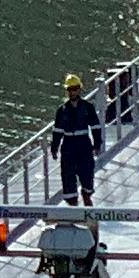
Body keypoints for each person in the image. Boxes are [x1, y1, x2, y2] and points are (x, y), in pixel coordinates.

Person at [51, 72, 100, 203]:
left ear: (79, 89)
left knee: (87, 172)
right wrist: (54, 148)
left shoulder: (88, 107)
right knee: (68, 175)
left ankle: (87, 194)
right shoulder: (62, 110)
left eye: (74, 89)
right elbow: (57, 131)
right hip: (68, 145)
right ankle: (72, 204)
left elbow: (95, 127)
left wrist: (97, 145)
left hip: (83, 143)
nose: (71, 92)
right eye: (69, 90)